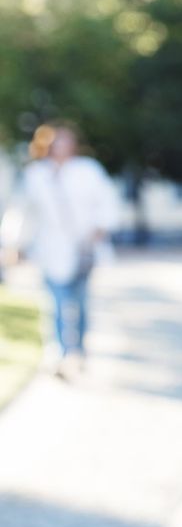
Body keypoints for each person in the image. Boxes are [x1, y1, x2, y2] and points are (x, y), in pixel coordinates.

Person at [0, 122, 119, 377]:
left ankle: (79, 349)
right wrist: (13, 243)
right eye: (56, 142)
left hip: (84, 248)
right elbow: (23, 211)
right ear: (46, 145)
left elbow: (106, 201)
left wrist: (100, 228)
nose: (61, 147)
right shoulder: (36, 174)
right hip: (51, 248)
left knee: (81, 302)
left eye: (66, 141)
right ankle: (64, 353)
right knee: (56, 303)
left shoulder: (88, 170)